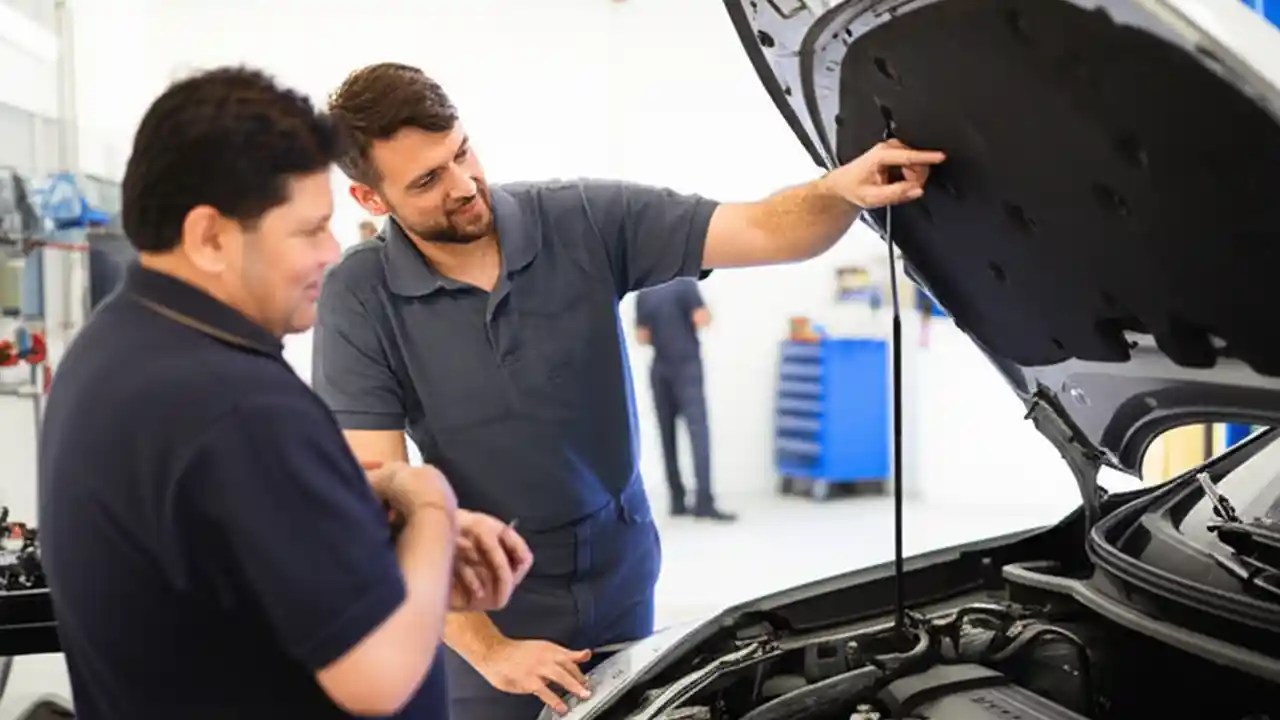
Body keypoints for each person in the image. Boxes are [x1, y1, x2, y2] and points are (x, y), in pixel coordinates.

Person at [313, 62, 944, 720]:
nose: (465, 184)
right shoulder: (359, 297)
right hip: (481, 600)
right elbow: (379, 497)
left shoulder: (580, 219)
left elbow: (762, 228)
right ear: (371, 200)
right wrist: (493, 651)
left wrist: (839, 190)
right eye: (427, 180)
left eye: (462, 152)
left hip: (619, 568)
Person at [37, 66, 532, 720]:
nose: (330, 253)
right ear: (210, 237)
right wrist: (431, 504)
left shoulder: (119, 345)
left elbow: (225, 534)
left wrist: (371, 507)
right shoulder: (234, 405)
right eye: (308, 231)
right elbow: (378, 678)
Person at [634, 277, 733, 521]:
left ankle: (677, 500)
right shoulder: (685, 284)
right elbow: (701, 319)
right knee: (699, 433)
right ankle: (704, 502)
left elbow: (642, 336)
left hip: (660, 367)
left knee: (667, 435)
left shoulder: (644, 291)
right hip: (686, 364)